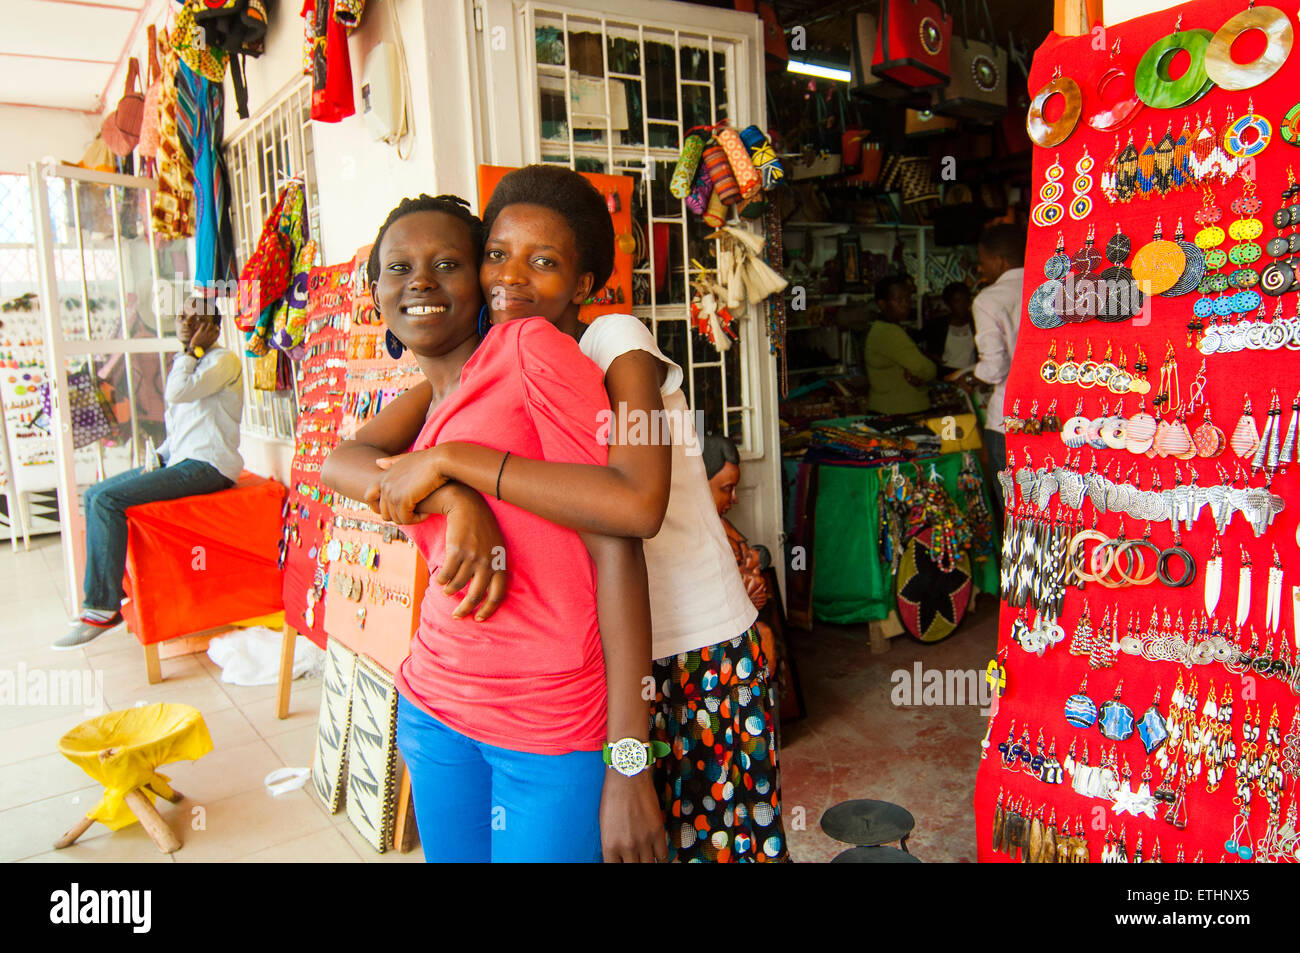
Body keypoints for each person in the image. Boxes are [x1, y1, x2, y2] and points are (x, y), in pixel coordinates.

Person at [419, 165, 789, 862]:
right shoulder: (495, 360)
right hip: (607, 663)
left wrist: (457, 463)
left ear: (584, 285)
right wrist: (452, 488)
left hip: (693, 649)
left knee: (716, 846)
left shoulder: (613, 340)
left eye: (545, 261)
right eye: (497, 253)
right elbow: (376, 454)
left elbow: (636, 502)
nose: (512, 277)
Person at [322, 194, 664, 863]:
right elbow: (343, 462)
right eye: (397, 268)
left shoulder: (530, 348)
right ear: (375, 294)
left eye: (447, 262)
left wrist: (629, 761)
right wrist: (456, 500)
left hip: (548, 724)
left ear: (472, 278)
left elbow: (621, 544)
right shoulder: (433, 390)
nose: (419, 281)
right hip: (436, 703)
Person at [53, 295, 243, 650]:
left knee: (110, 501)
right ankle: (101, 600)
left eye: (194, 319)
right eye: (182, 318)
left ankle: (101, 608)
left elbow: (177, 394)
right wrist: (157, 458)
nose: (185, 324)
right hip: (183, 461)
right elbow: (179, 429)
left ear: (212, 328)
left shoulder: (224, 360)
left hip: (210, 467)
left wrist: (189, 354)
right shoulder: (187, 362)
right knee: (95, 495)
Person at [970, 223, 1026, 510]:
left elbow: (994, 369)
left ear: (999, 260)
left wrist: (972, 377)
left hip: (1007, 420)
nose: (981, 269)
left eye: (982, 261)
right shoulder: (1051, 287)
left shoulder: (988, 299)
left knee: (1013, 510)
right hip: (1051, 417)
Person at [865, 275, 936, 415]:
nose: (906, 304)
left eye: (908, 298)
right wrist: (929, 365)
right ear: (882, 304)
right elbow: (926, 369)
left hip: (890, 409)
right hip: (900, 412)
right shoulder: (890, 332)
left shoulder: (881, 328)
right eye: (899, 300)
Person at [940, 281, 977, 372]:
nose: (962, 305)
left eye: (966, 301)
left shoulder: (976, 323)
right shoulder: (938, 325)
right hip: (946, 373)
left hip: (971, 372)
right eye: (957, 301)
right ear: (948, 304)